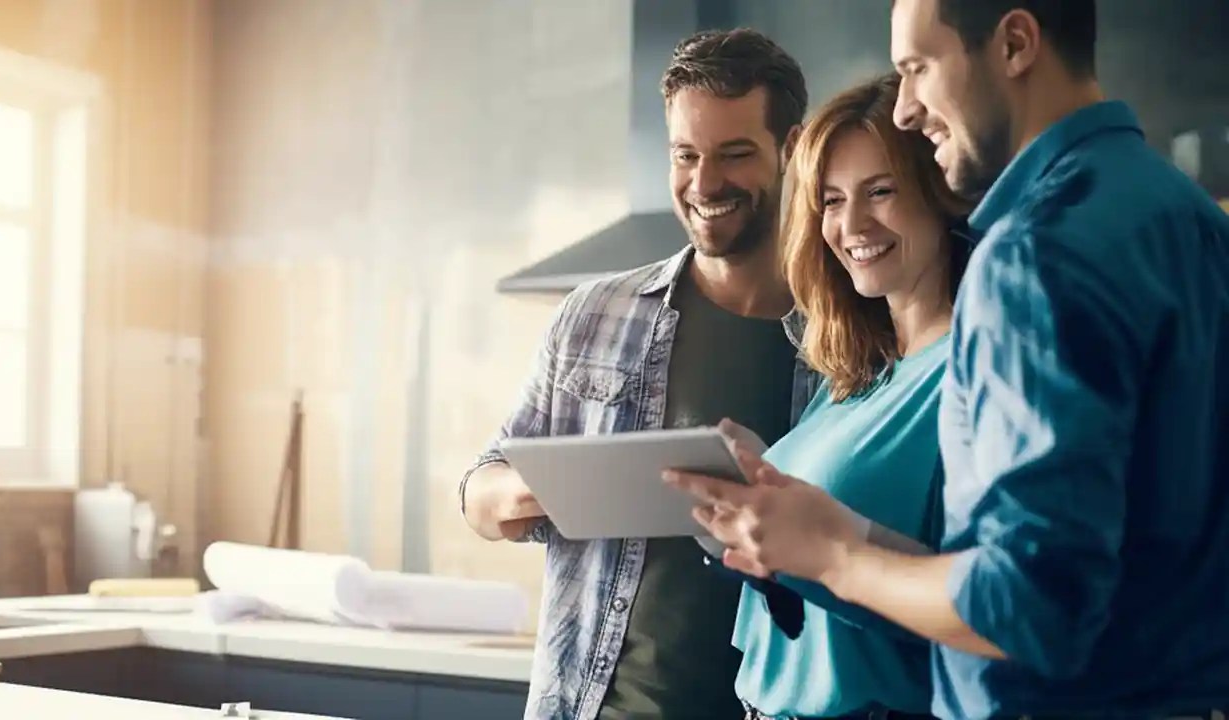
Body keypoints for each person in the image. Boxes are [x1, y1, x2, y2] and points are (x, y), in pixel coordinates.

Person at [667, 1, 1229, 718]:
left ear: (1016, 43)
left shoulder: (1034, 252)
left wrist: (838, 554)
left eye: (917, 69)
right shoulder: (1192, 218)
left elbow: (1027, 603)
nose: (906, 109)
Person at [459, 29, 816, 719]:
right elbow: (479, 494)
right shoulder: (594, 315)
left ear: (792, 148)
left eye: (734, 155)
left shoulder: (848, 335)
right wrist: (536, 486)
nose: (704, 184)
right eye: (685, 156)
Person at [724, 73, 971, 720]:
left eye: (880, 191)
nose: (851, 224)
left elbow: (994, 606)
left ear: (941, 192)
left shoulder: (975, 370)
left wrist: (828, 547)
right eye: (831, 200)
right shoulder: (855, 372)